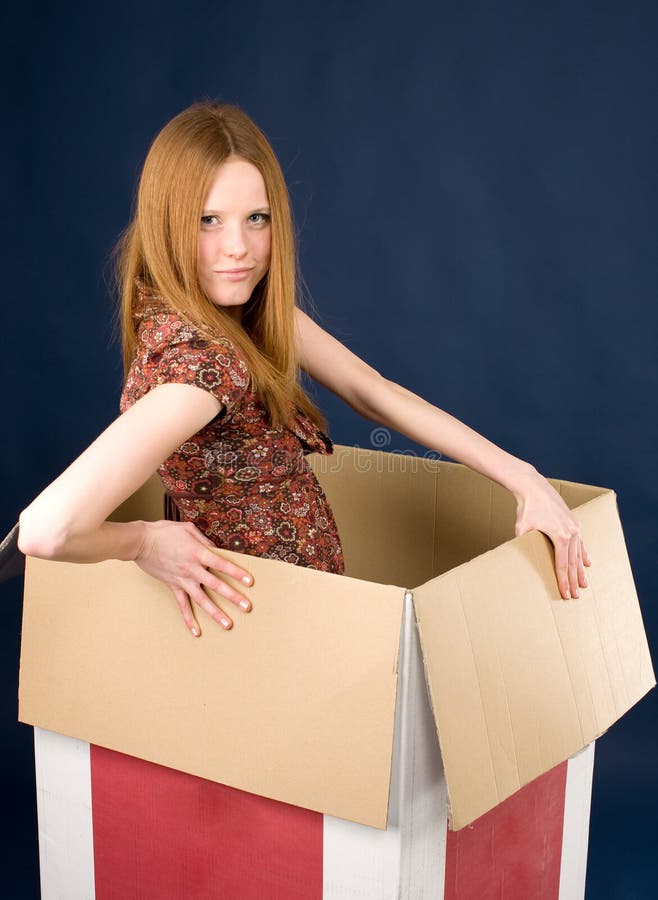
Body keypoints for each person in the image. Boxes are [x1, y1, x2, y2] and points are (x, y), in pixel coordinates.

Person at [18, 101, 590, 637]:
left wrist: (523, 478)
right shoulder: (205, 370)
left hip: (294, 606)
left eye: (256, 218)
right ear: (166, 221)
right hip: (269, 622)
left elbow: (371, 391)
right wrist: (143, 542)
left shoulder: (231, 311)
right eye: (208, 220)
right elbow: (46, 530)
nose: (238, 247)